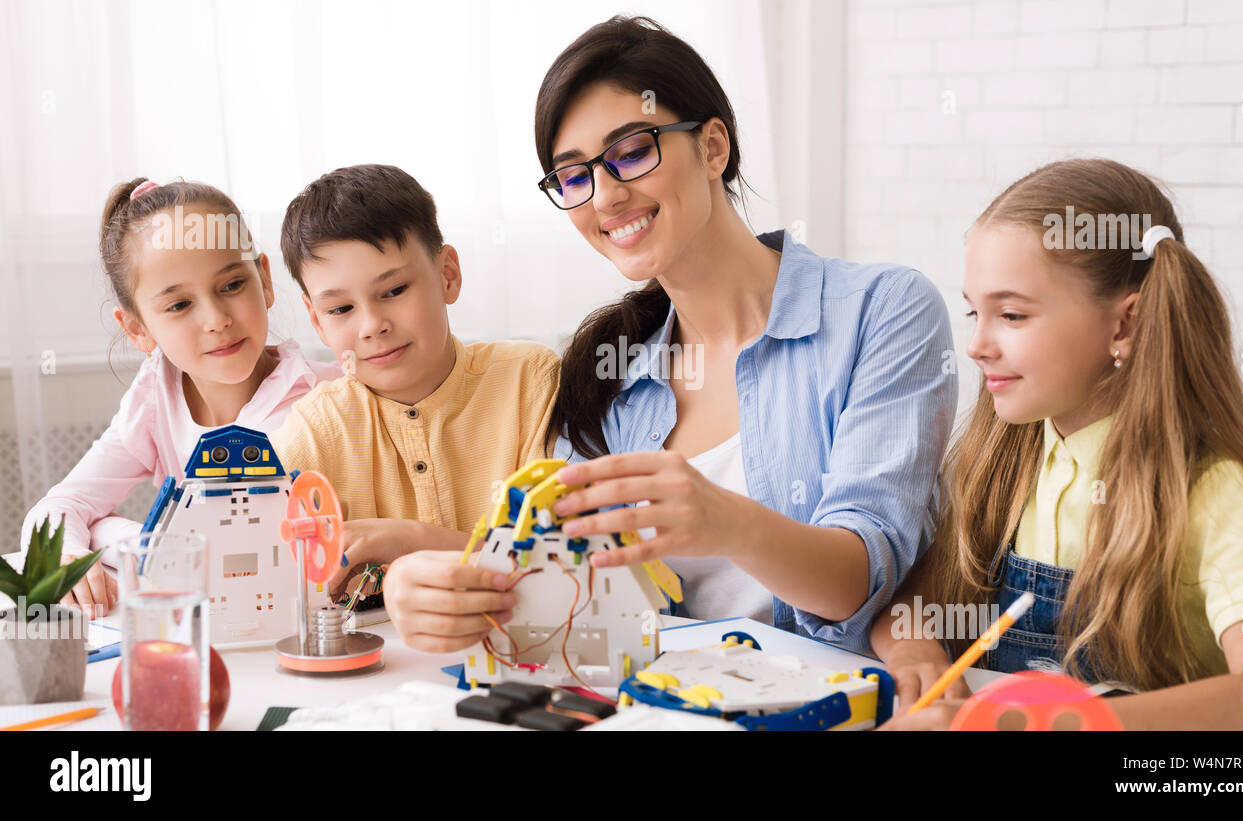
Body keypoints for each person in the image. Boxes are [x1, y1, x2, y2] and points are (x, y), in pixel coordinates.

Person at [384, 16, 955, 655]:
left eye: (631, 151)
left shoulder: (883, 311)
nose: (605, 196)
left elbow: (865, 581)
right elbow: (565, 577)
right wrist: (421, 578)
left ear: (714, 147)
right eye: (573, 177)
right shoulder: (609, 367)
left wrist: (726, 521)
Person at [871, 158, 1243, 730]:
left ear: (1124, 326)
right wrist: (916, 653)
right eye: (976, 312)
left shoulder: (1212, 491)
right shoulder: (1005, 461)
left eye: (1012, 314)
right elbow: (910, 610)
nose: (975, 344)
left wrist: (1052, 722)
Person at [20, 178, 340, 617]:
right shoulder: (156, 395)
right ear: (137, 328)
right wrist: (68, 555)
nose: (216, 319)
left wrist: (112, 534)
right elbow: (61, 508)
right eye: (178, 305)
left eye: (231, 285)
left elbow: (231, 557)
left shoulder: (327, 397)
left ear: (264, 279)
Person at [270, 164, 560, 596]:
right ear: (317, 320)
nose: (372, 326)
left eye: (393, 291)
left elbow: (565, 573)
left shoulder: (530, 382)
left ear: (447, 275)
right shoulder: (315, 430)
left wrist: (414, 542)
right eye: (340, 310)